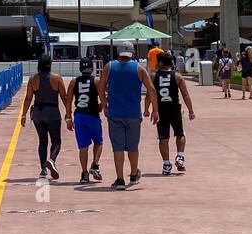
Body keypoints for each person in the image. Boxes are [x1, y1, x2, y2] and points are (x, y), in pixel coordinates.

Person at [99, 40, 157, 190]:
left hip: (115, 113)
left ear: (118, 52)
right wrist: (154, 110)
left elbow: (101, 87)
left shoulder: (109, 67)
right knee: (133, 146)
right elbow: (151, 89)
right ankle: (133, 174)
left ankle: (119, 180)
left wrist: (104, 104)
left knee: (117, 147)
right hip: (133, 114)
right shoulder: (139, 68)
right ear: (132, 53)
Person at [19, 56, 72, 180]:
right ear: (50, 64)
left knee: (42, 142)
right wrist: (69, 114)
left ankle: (43, 169)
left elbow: (28, 98)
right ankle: (52, 160)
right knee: (56, 141)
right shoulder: (57, 78)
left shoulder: (33, 79)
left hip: (38, 113)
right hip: (53, 112)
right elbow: (64, 97)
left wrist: (23, 114)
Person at [152, 51, 195, 174]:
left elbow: (151, 93)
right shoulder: (177, 76)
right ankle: (180, 156)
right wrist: (191, 110)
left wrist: (147, 109)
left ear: (160, 63)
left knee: (163, 138)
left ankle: (166, 164)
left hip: (161, 111)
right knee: (180, 134)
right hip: (175, 109)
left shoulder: (154, 76)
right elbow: (185, 95)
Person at [67, 58, 105, 183]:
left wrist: (68, 117)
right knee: (98, 142)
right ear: (92, 68)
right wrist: (101, 107)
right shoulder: (96, 81)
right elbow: (103, 98)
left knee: (83, 146)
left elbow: (68, 101)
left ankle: (84, 174)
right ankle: (95, 165)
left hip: (79, 116)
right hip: (92, 116)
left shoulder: (73, 82)